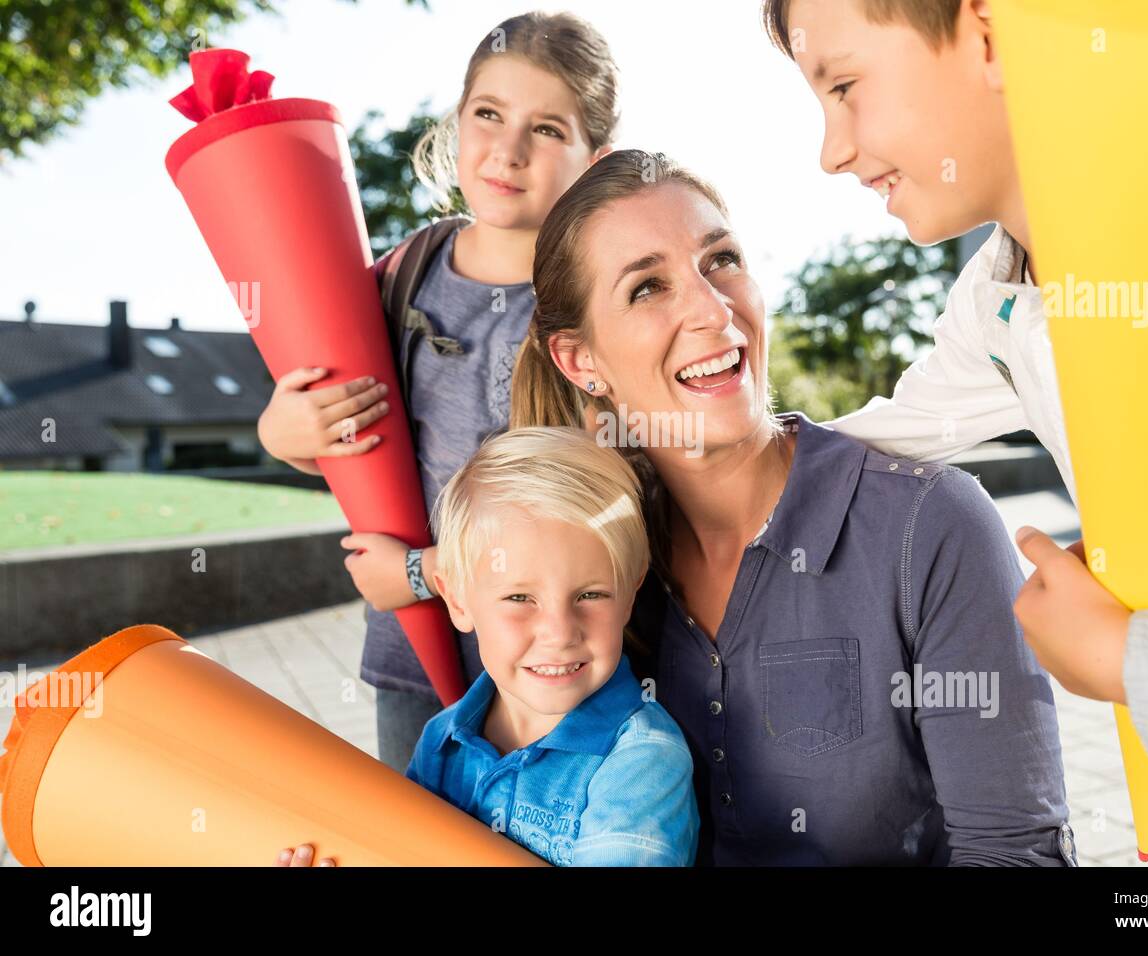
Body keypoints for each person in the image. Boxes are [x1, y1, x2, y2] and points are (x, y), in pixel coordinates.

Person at [761, 0, 1148, 863]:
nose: (831, 151)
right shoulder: (998, 298)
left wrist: (1135, 664)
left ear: (988, 34)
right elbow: (880, 435)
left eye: (847, 86)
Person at [509, 148, 1075, 866]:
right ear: (579, 361)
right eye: (648, 287)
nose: (713, 311)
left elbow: (1015, 854)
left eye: (721, 261)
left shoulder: (927, 526)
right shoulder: (590, 572)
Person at [254, 12, 619, 772]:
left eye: (547, 129)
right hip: (413, 661)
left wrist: (423, 572)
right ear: (457, 122)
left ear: (595, 160)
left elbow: (603, 507)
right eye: (488, 114)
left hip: (560, 665)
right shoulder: (399, 275)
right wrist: (284, 437)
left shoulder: (602, 302)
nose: (508, 150)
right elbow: (349, 436)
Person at [276, 427, 699, 867]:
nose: (559, 632)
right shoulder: (442, 739)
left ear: (630, 594)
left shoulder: (642, 764)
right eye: (519, 598)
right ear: (458, 600)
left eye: (590, 595)